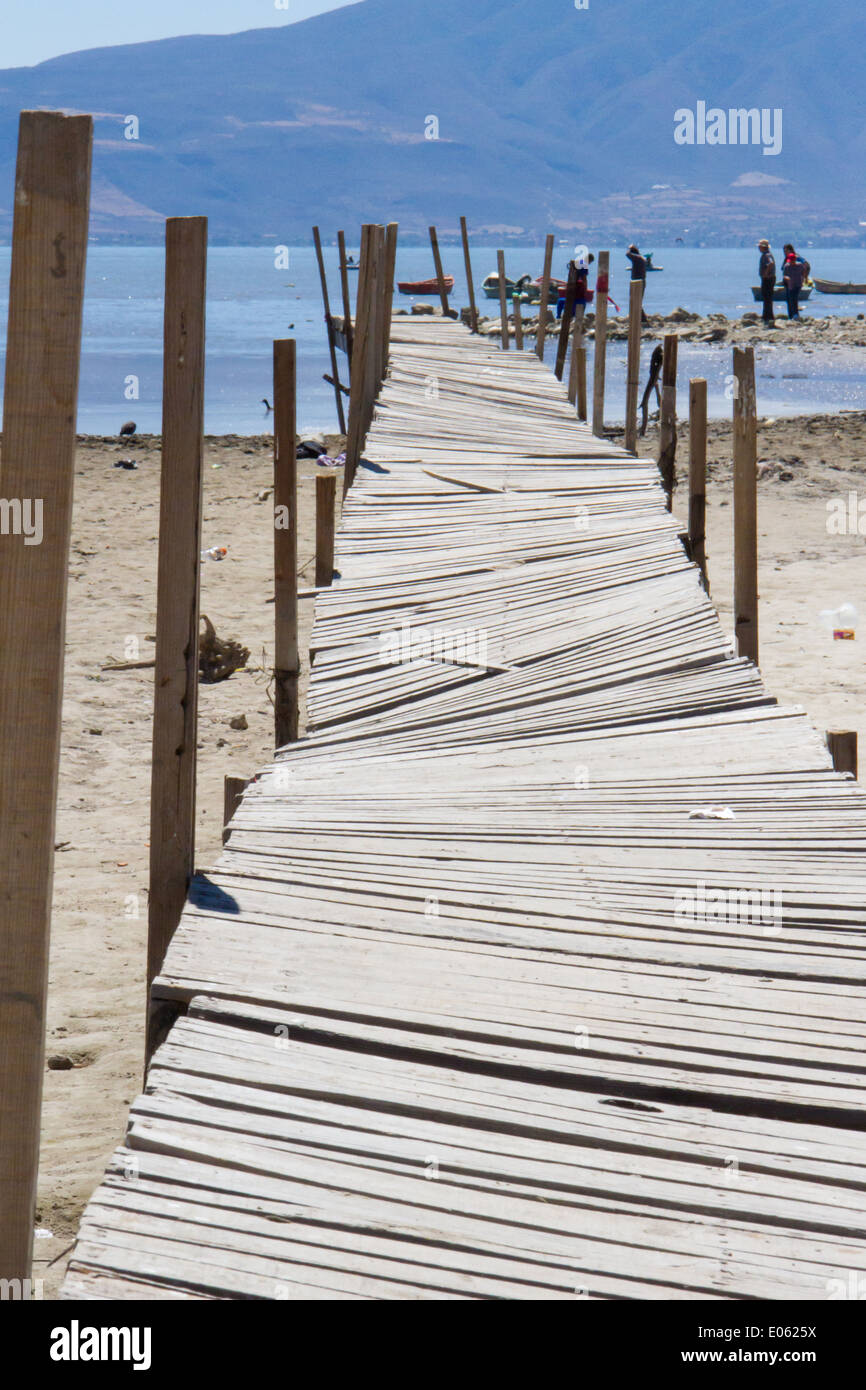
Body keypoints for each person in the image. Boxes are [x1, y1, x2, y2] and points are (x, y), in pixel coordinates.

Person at [626, 243, 649, 323]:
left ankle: (642, 320)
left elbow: (627, 254)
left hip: (636, 282)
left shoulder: (637, 258)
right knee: (637, 301)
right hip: (642, 282)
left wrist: (630, 247)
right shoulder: (642, 258)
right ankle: (641, 319)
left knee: (636, 301)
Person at [782, 243, 804, 320]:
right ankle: (791, 316)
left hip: (795, 284)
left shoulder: (797, 258)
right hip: (789, 283)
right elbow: (784, 272)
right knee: (789, 300)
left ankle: (794, 315)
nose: (785, 252)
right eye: (784, 251)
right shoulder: (786, 260)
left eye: (786, 250)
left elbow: (805, 267)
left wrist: (804, 278)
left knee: (793, 300)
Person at [757, 238, 776, 326]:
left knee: (767, 297)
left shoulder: (767, 255)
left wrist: (765, 273)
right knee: (767, 297)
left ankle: (767, 316)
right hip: (769, 278)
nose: (758, 248)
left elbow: (770, 263)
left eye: (760, 247)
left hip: (768, 279)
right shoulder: (767, 254)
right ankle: (767, 315)